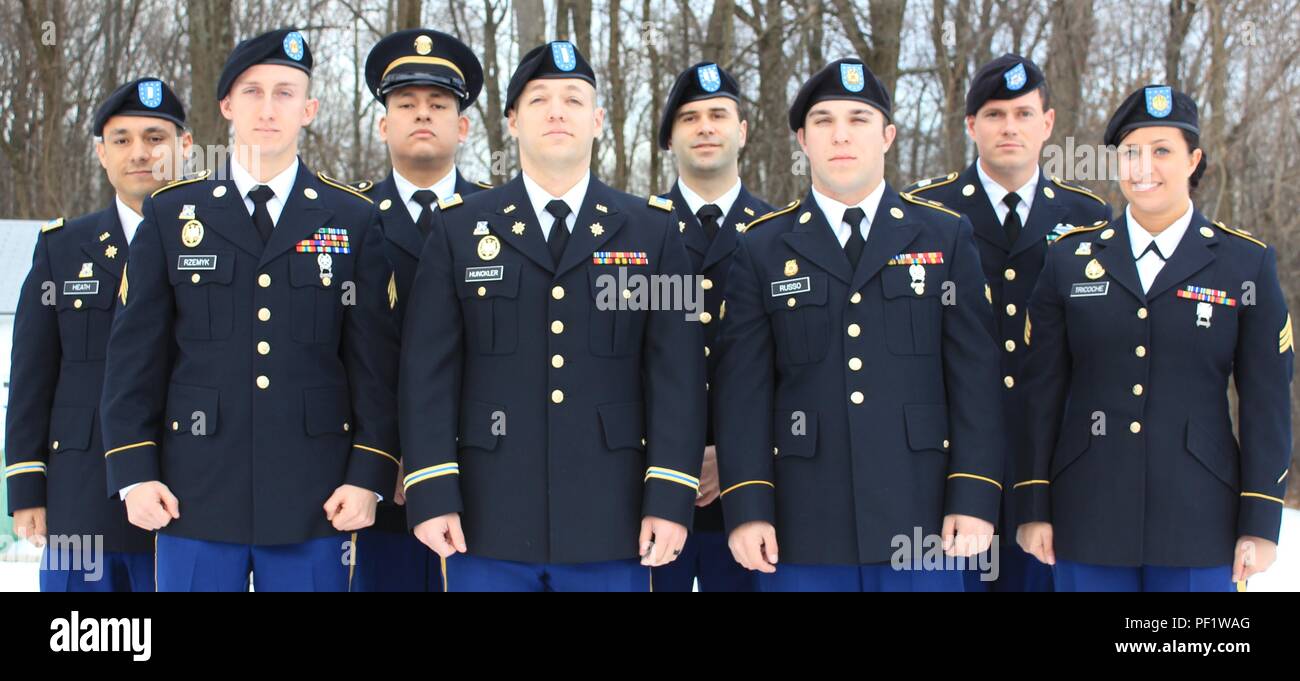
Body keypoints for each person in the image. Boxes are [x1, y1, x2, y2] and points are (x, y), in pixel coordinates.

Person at [99, 28, 400, 592]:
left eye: (285, 93)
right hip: (192, 495)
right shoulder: (171, 214)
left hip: (317, 500)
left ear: (308, 108)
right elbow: (134, 358)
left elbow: (374, 366)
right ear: (227, 105)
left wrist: (370, 474)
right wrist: (134, 473)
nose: (268, 108)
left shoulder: (353, 219)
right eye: (253, 91)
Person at [398, 40, 706, 591]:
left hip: (616, 519)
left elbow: (679, 375)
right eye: (539, 100)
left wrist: (671, 495)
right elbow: (428, 373)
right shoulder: (459, 229)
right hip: (484, 519)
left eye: (573, 98)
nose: (557, 110)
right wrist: (432, 491)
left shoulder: (656, 231)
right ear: (512, 121)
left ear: (598, 120)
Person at [713, 58, 1004, 591]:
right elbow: (743, 394)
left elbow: (976, 380)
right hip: (803, 529)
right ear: (802, 138)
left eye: (858, 119)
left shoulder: (944, 237)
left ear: (888, 135)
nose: (840, 135)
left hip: (923, 523)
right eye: (823, 121)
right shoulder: (761, 248)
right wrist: (749, 505)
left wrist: (976, 493)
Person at [1015, 85, 1292, 591]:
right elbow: (1041, 395)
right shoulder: (1067, 260)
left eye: (1162, 150)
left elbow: (1266, 401)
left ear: (1194, 160)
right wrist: (1034, 502)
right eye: (1131, 152)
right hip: (1087, 513)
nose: (1145, 166)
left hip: (1201, 519)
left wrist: (1260, 520)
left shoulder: (1244, 263)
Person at [904, 54, 1110, 591]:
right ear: (971, 125)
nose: (1010, 127)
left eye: (1023, 113)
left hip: (1052, 459)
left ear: (1048, 124)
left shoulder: (1088, 219)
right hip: (944, 461)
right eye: (994, 114)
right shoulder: (924, 213)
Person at [5, 77, 191, 592]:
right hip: (81, 497)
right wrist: (26, 485)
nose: (140, 153)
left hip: (187, 498)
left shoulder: (219, 247)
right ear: (100, 154)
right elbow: (32, 375)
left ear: (186, 149)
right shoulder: (63, 248)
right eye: (122, 139)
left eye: (156, 138)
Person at [352, 27, 491, 593]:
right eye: (405, 104)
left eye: (438, 104)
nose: (422, 115)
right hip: (372, 485)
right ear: (384, 125)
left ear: (461, 126)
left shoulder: (501, 218)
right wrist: (386, 457)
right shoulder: (350, 216)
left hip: (482, 479)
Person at [650, 61, 772, 592]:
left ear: (742, 131)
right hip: (651, 497)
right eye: (689, 118)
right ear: (670, 138)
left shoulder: (780, 235)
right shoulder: (633, 233)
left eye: (719, 115)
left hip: (756, 498)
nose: (705, 127)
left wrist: (738, 459)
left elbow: (793, 370)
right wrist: (673, 464)